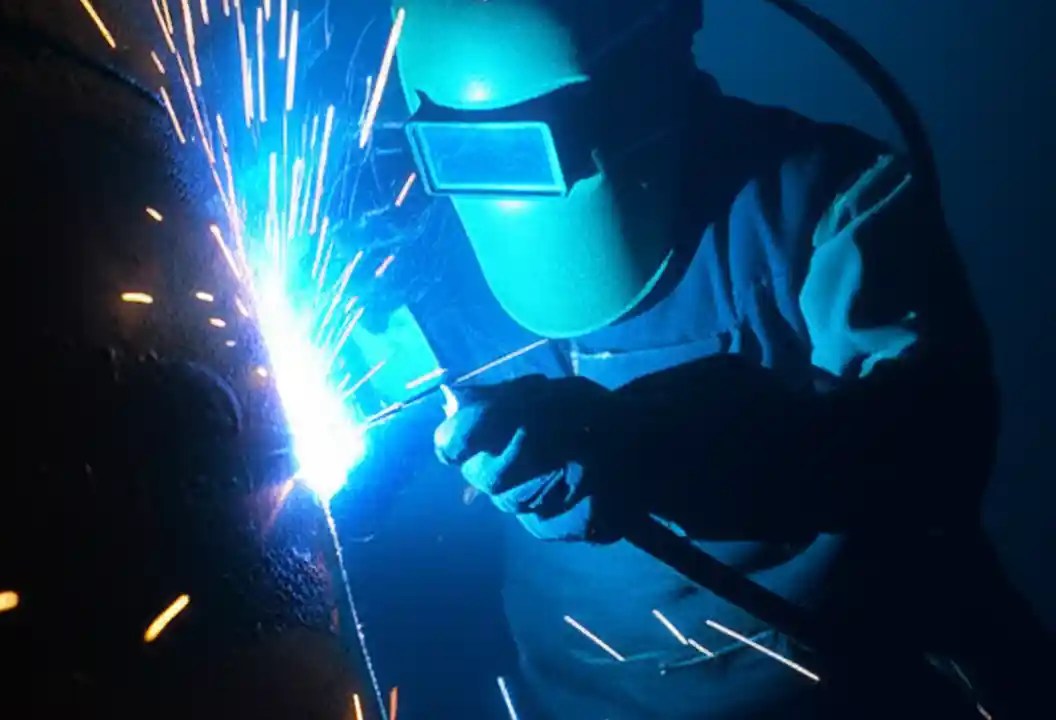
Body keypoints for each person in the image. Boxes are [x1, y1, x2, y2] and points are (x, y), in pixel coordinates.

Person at [384, 0, 1051, 717]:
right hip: (576, 699)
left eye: (536, 143)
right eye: (467, 155)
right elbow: (371, 448)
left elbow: (927, 447)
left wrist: (653, 445)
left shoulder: (828, 199)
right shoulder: (432, 257)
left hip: (835, 686)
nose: (506, 173)